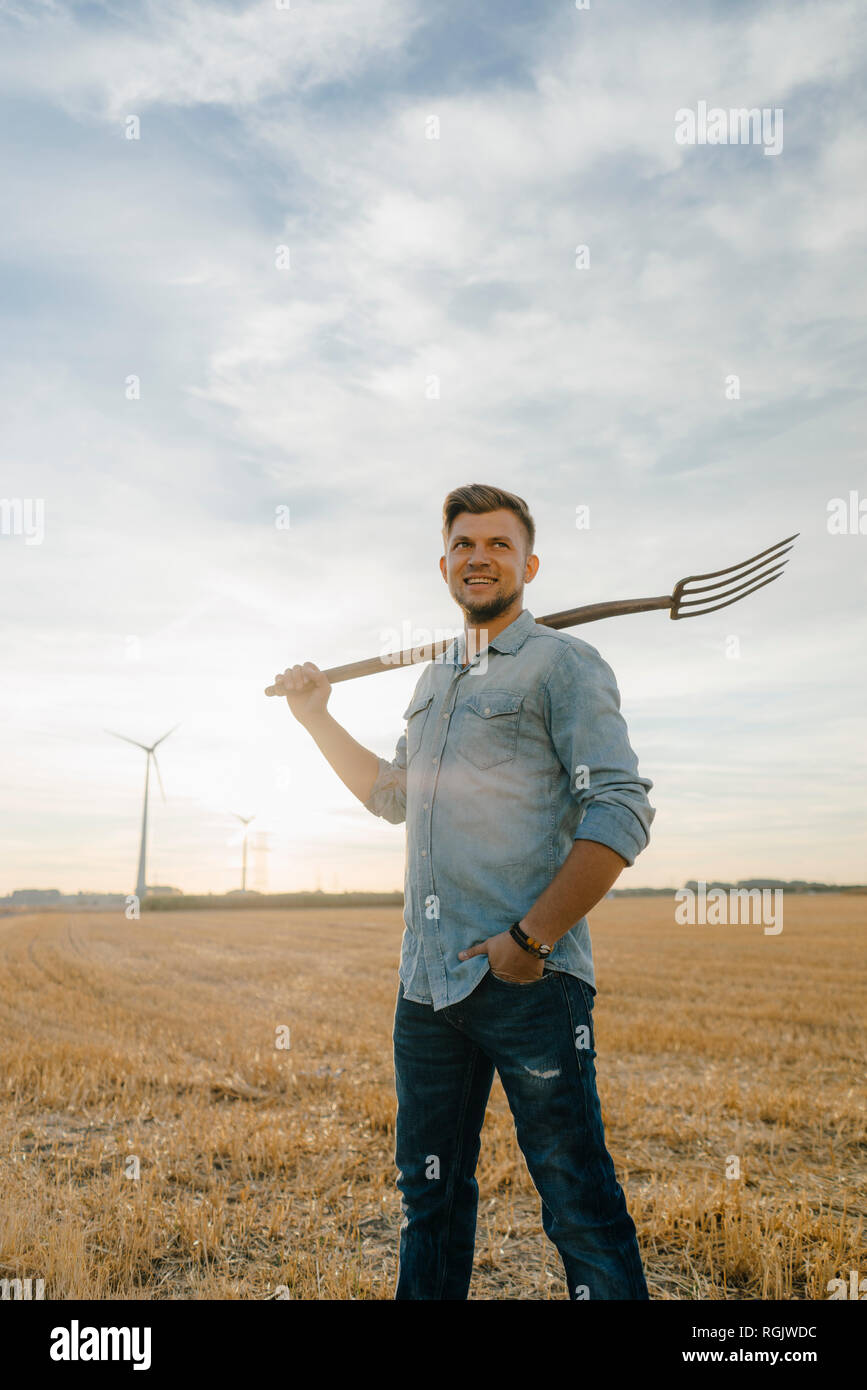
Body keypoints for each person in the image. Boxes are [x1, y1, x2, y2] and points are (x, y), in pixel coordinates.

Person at [271, 483, 656, 1300]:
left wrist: (529, 943)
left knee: (577, 1204)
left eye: (498, 545)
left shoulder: (563, 664)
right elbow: (391, 797)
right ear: (444, 563)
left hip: (526, 984)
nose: (478, 557)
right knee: (428, 1202)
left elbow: (619, 807)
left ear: (528, 563)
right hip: (426, 988)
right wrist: (313, 717)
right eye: (463, 545)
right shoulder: (436, 679)